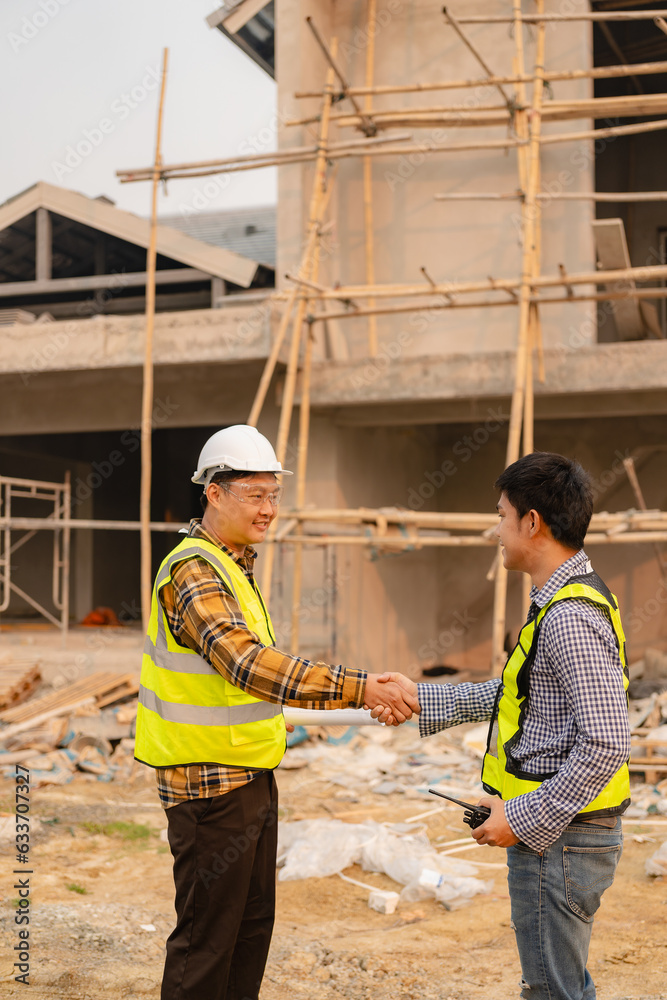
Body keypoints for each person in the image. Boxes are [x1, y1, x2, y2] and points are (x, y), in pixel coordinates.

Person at [134, 424, 419, 1000]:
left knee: (249, 929)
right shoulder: (195, 570)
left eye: (274, 494)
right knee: (207, 941)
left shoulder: (234, 565)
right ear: (214, 494)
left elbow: (234, 686)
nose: (268, 509)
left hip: (249, 775)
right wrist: (359, 688)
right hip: (210, 785)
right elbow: (245, 664)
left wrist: (277, 715)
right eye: (255, 495)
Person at [374, 451, 631, 1000]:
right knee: (560, 986)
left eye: (501, 516)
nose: (496, 531)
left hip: (562, 839)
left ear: (531, 522)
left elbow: (607, 742)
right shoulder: (559, 604)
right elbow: (522, 694)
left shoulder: (569, 617)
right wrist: (422, 697)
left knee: (552, 992)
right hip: (565, 835)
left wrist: (522, 818)